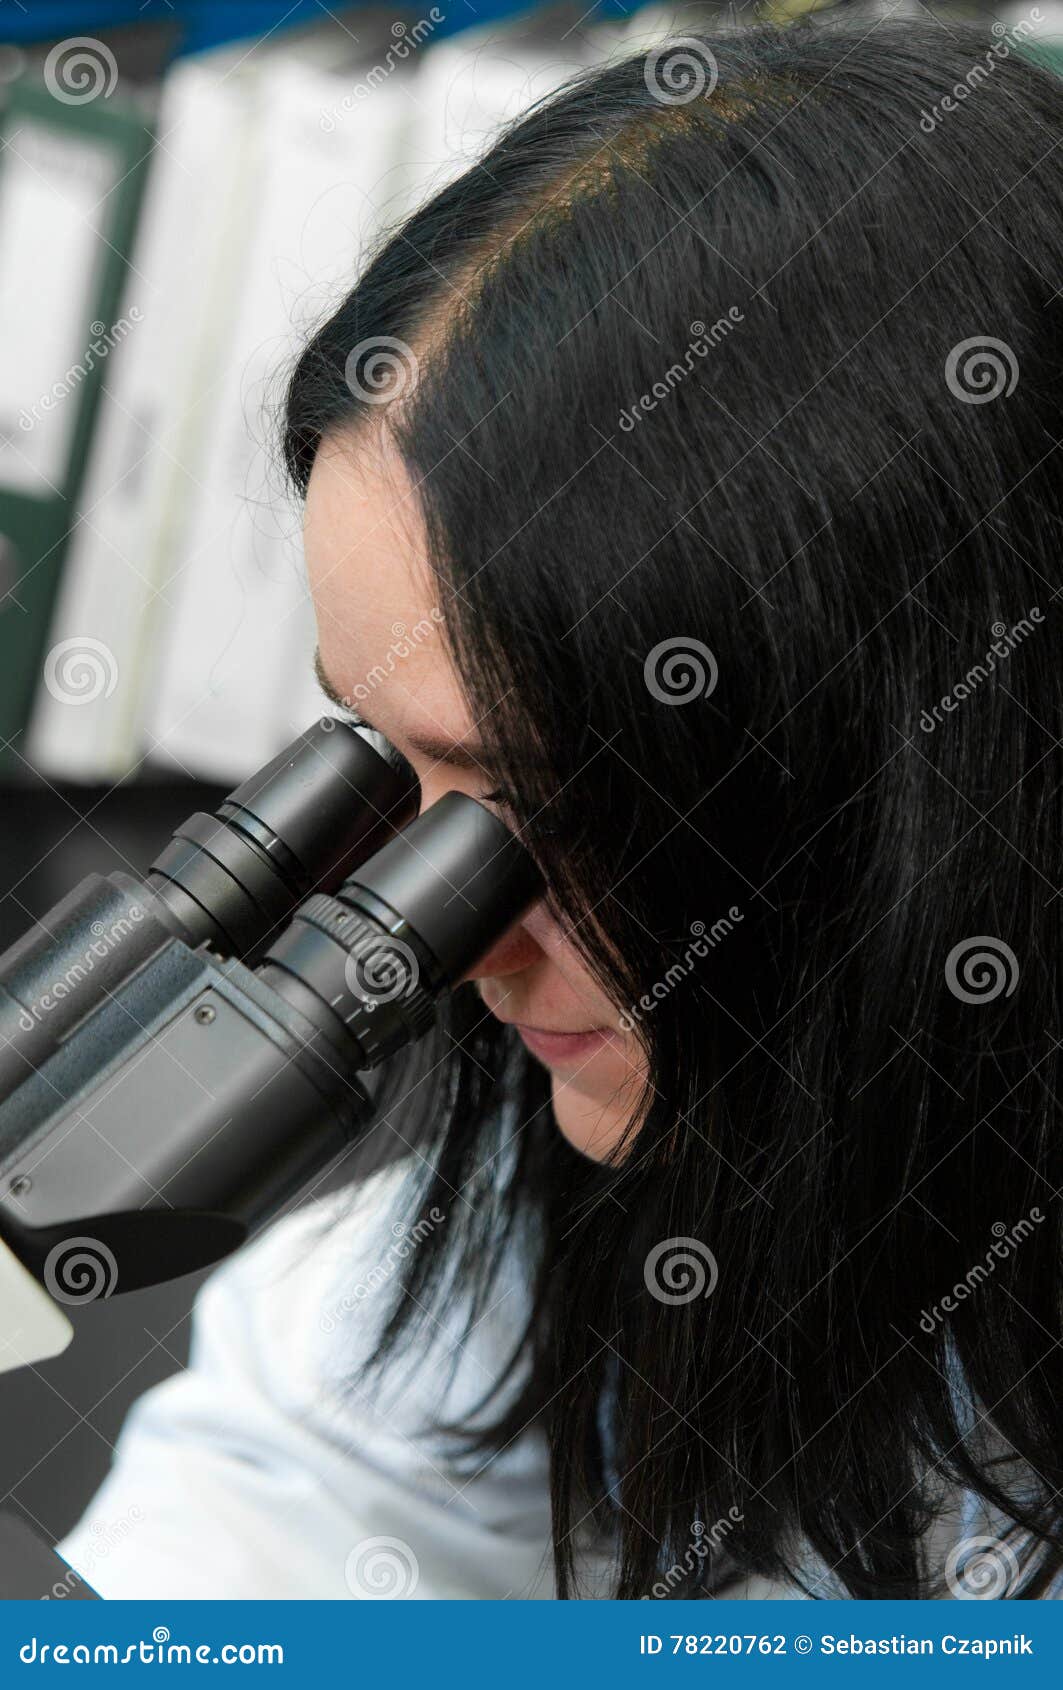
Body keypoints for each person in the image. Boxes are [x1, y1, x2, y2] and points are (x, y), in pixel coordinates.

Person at [59, 15, 1063, 1600]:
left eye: (543, 789)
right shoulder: (534, 1233)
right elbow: (276, 1496)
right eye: (385, 760)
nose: (435, 937)